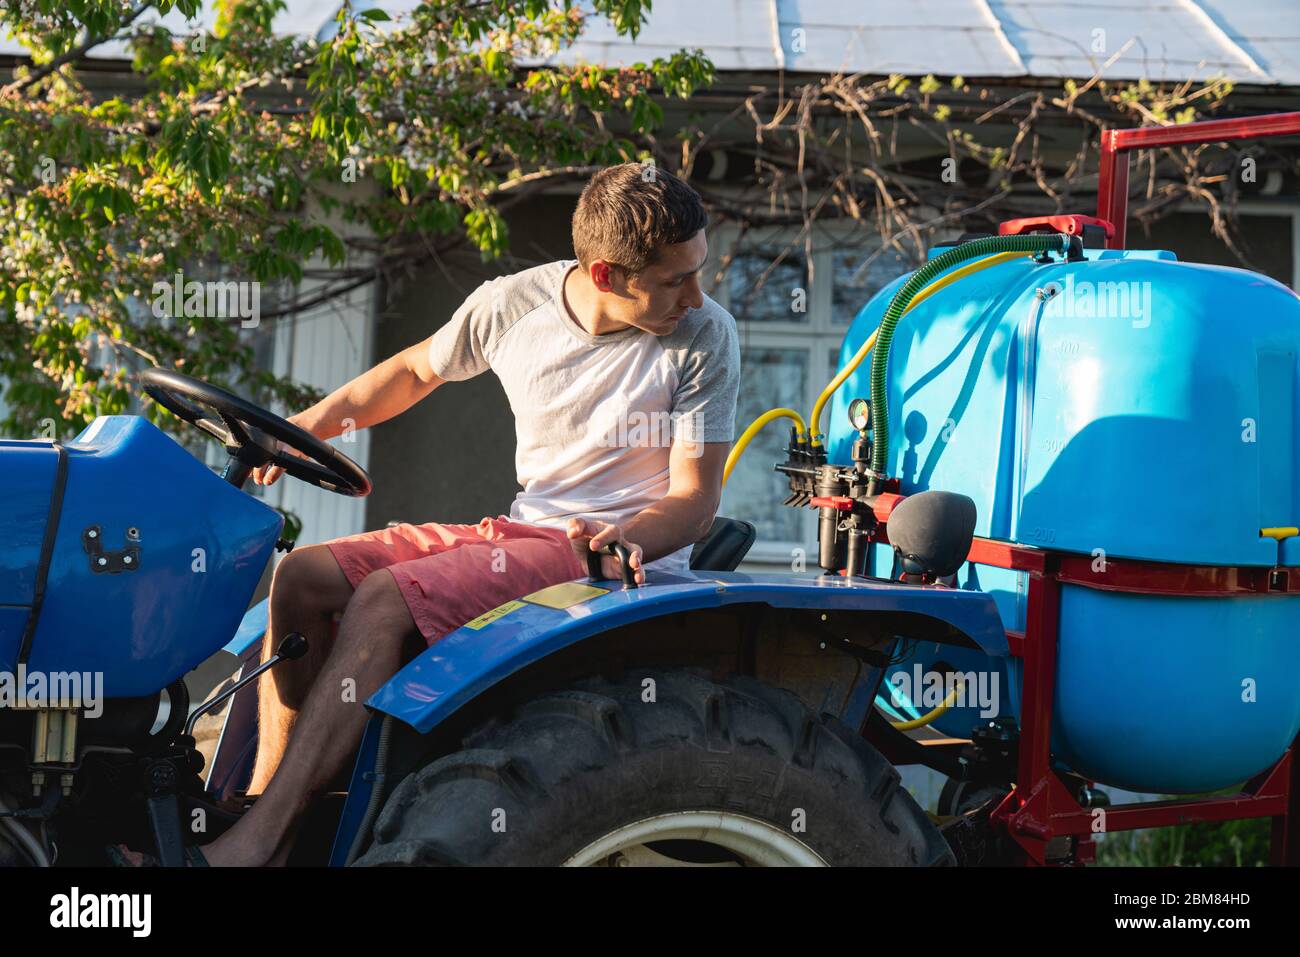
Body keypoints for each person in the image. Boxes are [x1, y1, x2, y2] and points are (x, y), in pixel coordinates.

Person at [117, 161, 739, 866]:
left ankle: (257, 844)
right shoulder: (514, 305)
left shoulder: (703, 338)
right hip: (520, 530)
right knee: (301, 578)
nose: (696, 294)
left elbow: (693, 501)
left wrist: (621, 534)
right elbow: (416, 371)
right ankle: (268, 809)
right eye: (674, 279)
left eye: (698, 271)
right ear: (603, 275)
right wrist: (310, 425)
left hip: (607, 558)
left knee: (384, 600)